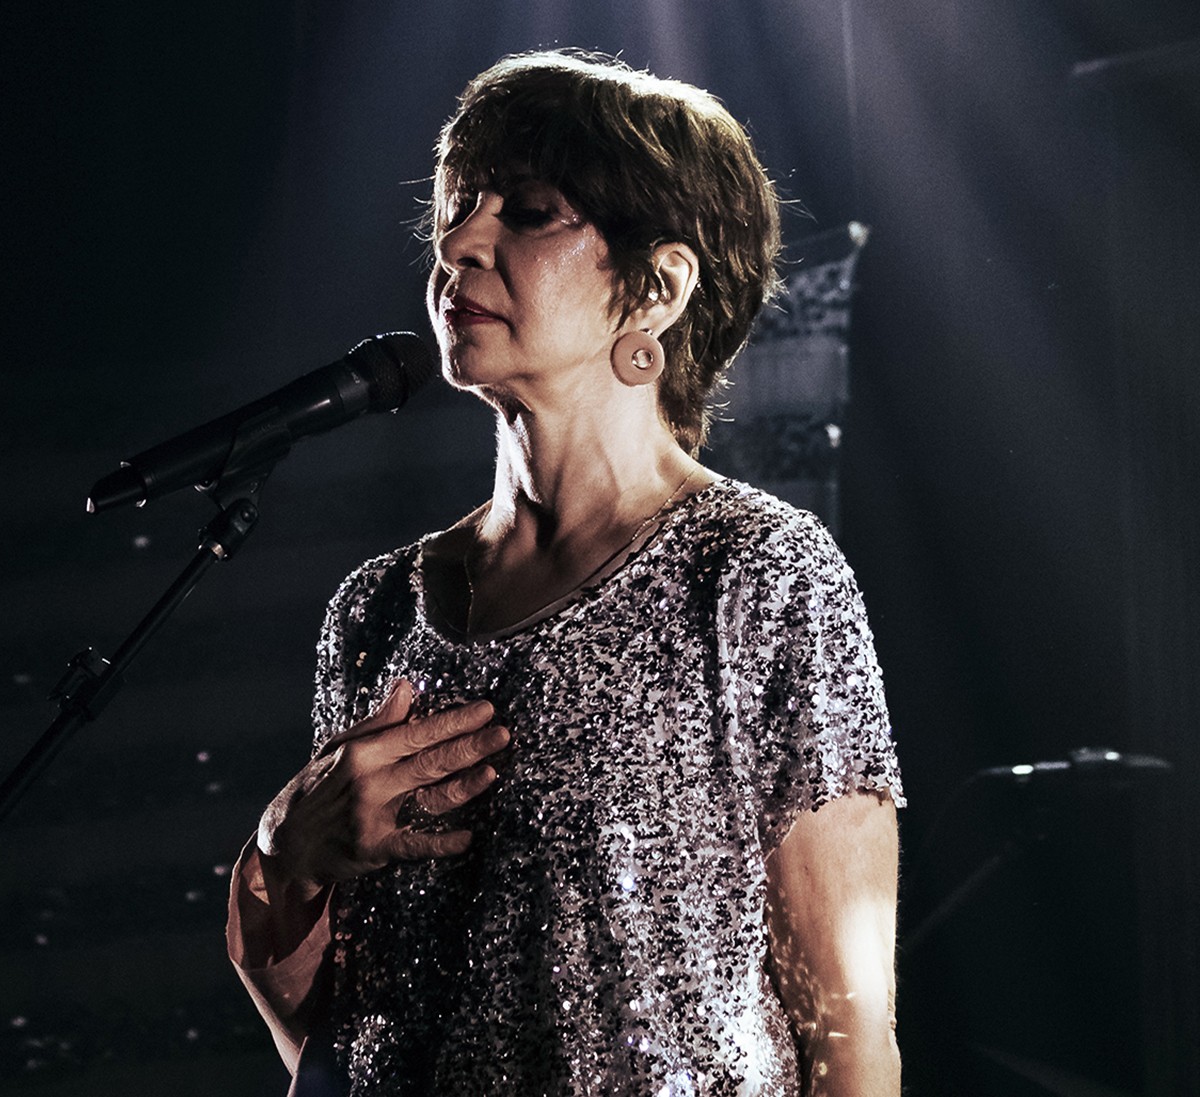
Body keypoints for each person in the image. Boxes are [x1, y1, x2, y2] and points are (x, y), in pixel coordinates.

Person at [227, 49, 904, 1096]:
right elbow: (336, 1045)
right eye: (458, 208)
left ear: (657, 285)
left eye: (529, 212)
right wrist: (289, 853)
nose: (458, 243)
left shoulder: (756, 573)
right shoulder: (372, 612)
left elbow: (845, 1032)